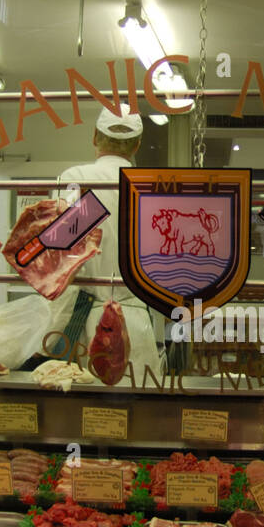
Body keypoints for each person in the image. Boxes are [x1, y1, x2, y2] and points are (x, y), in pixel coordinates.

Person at [43, 105, 165, 379]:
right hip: (137, 320)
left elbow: (64, 250)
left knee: (92, 414)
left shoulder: (75, 179)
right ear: (137, 145)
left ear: (95, 137)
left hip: (88, 319)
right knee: (141, 413)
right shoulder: (152, 184)